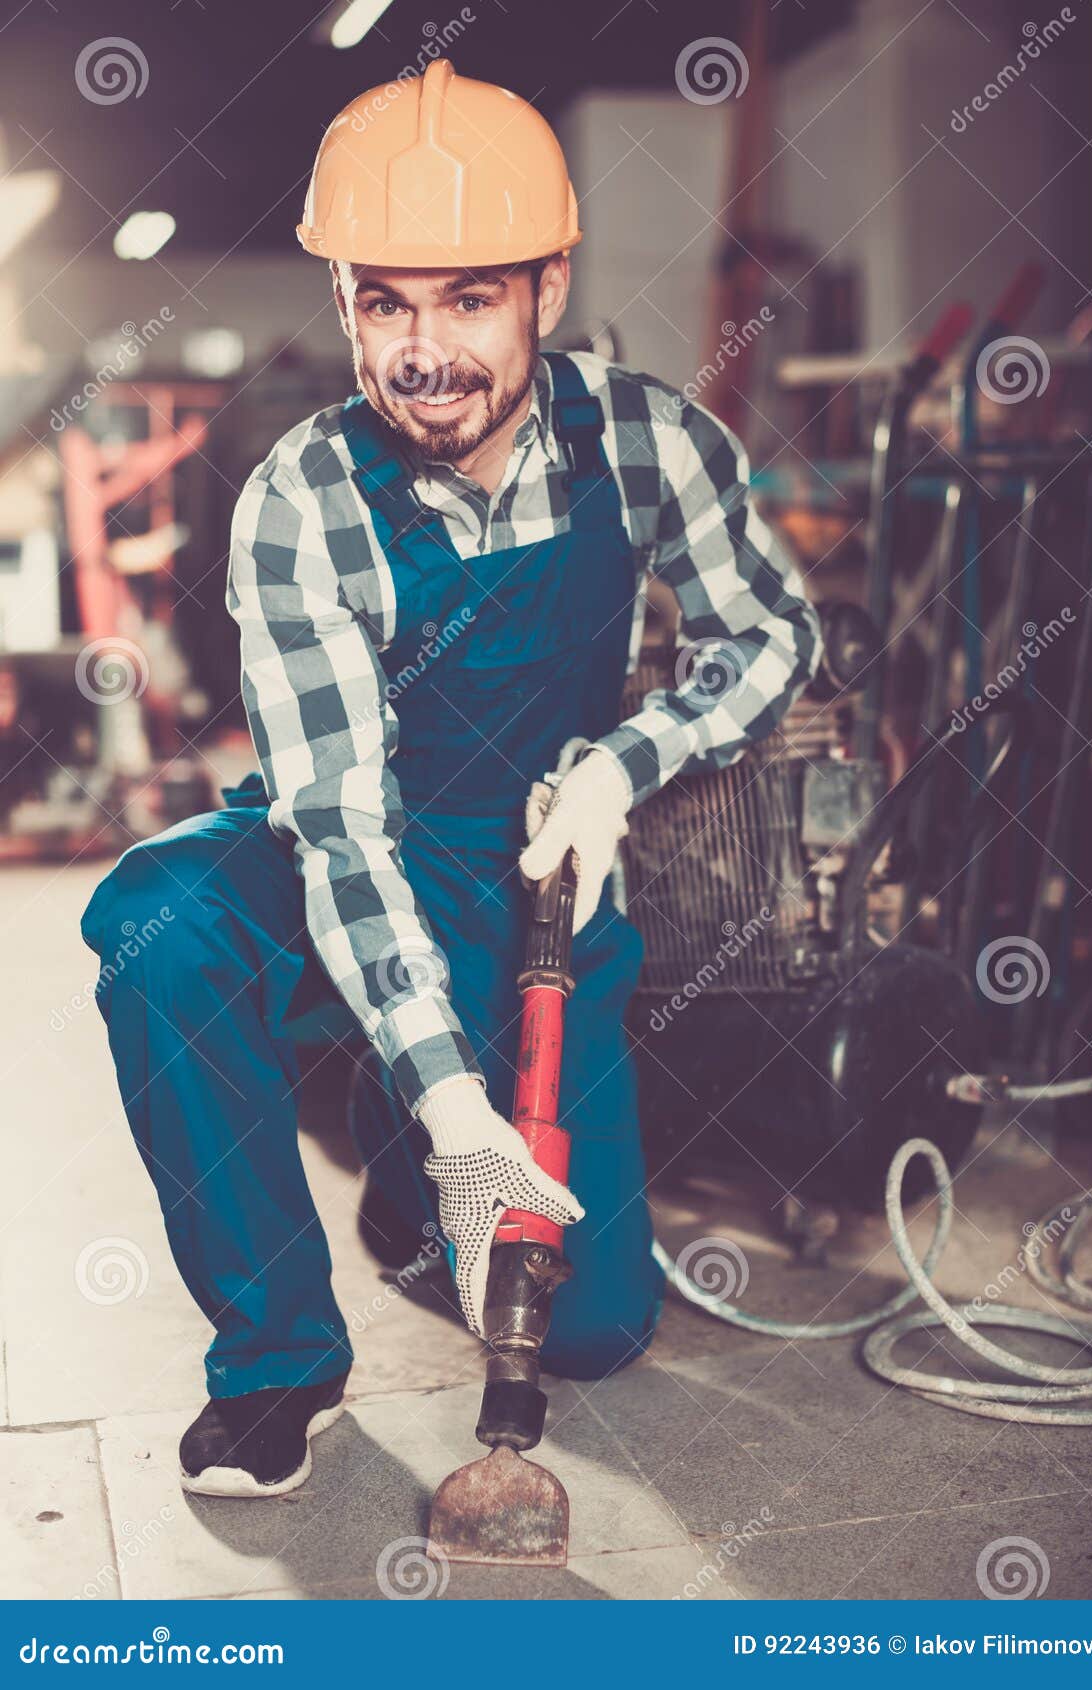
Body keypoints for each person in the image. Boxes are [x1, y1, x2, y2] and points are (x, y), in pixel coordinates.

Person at [81, 59, 821, 1498]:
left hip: (539, 870)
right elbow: (341, 832)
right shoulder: (303, 498)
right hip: (348, 841)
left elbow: (771, 634)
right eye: (384, 304)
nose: (423, 352)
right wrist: (464, 1112)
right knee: (158, 923)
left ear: (549, 286)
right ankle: (279, 1357)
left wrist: (623, 766)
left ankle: (399, 1164)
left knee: (591, 1330)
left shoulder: (648, 439)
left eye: (469, 299)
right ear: (346, 301)